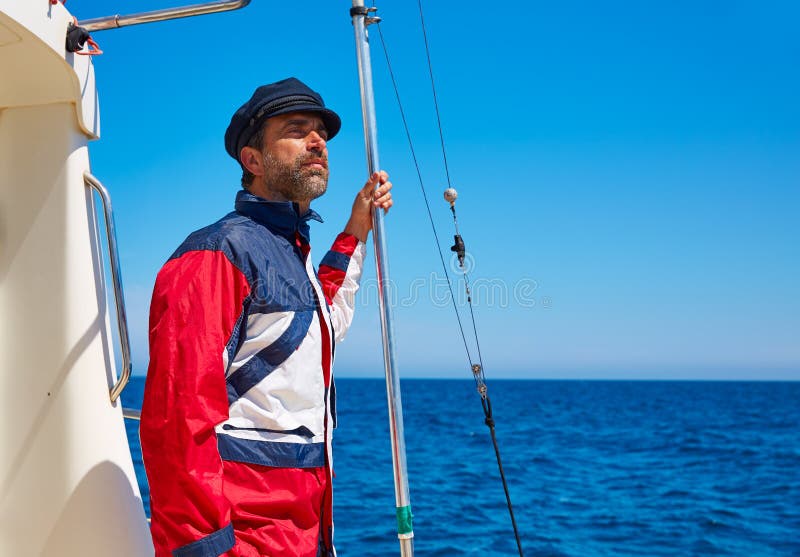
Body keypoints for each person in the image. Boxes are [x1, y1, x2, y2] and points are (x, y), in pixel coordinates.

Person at [140, 77, 393, 557]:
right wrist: (205, 549)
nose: (317, 140)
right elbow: (176, 419)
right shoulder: (217, 253)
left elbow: (320, 321)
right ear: (252, 160)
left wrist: (356, 228)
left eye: (320, 131)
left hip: (305, 534)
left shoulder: (289, 256)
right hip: (245, 540)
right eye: (297, 129)